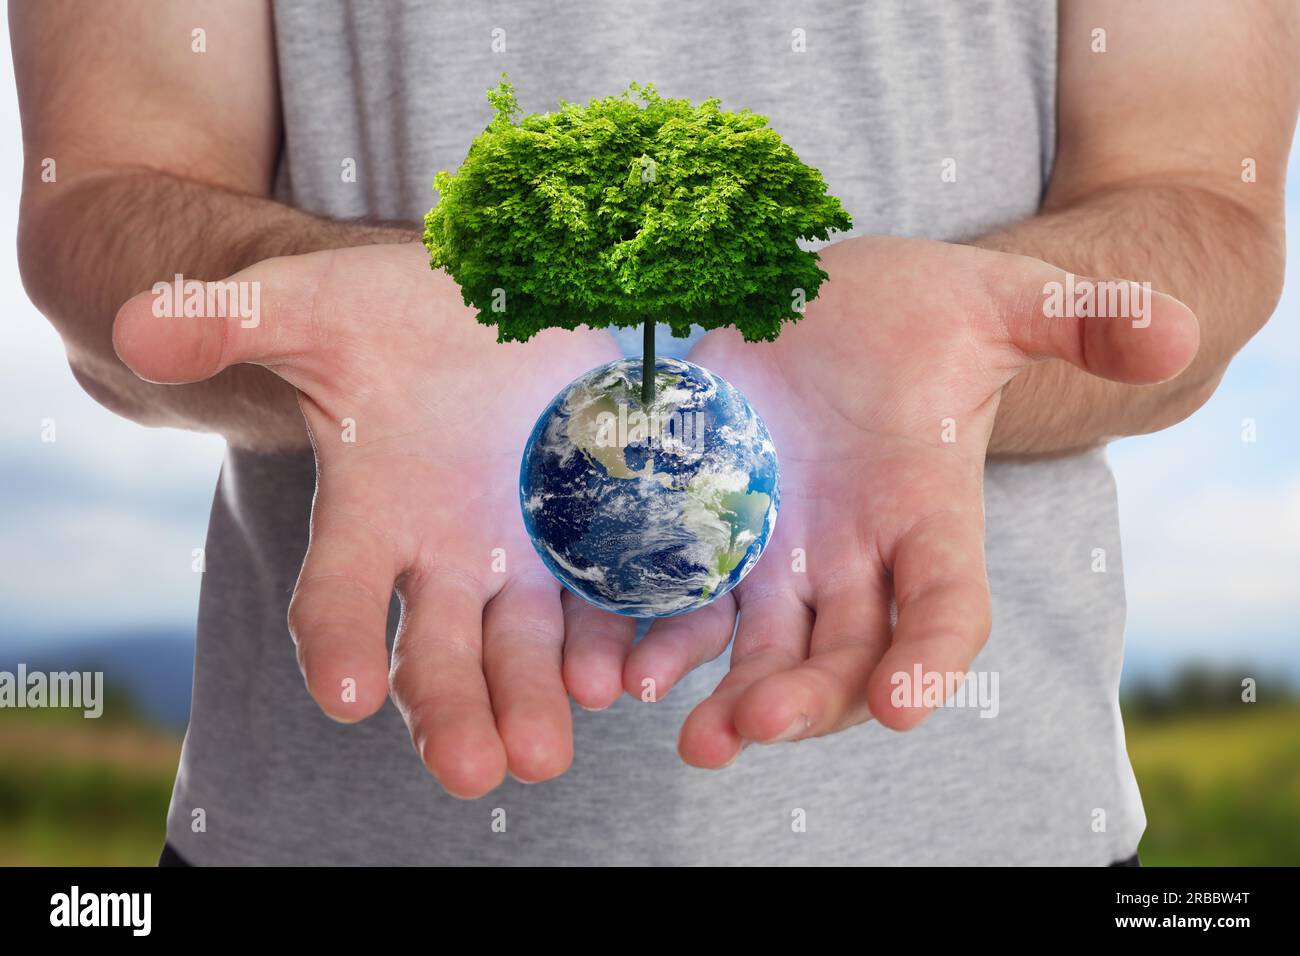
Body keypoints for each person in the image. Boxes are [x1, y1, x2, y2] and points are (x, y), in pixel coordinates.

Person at [13, 0, 1295, 865]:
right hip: (308, 833)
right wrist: (333, 320)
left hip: (1007, 831)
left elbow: (1199, 203)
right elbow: (106, 196)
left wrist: (974, 340)